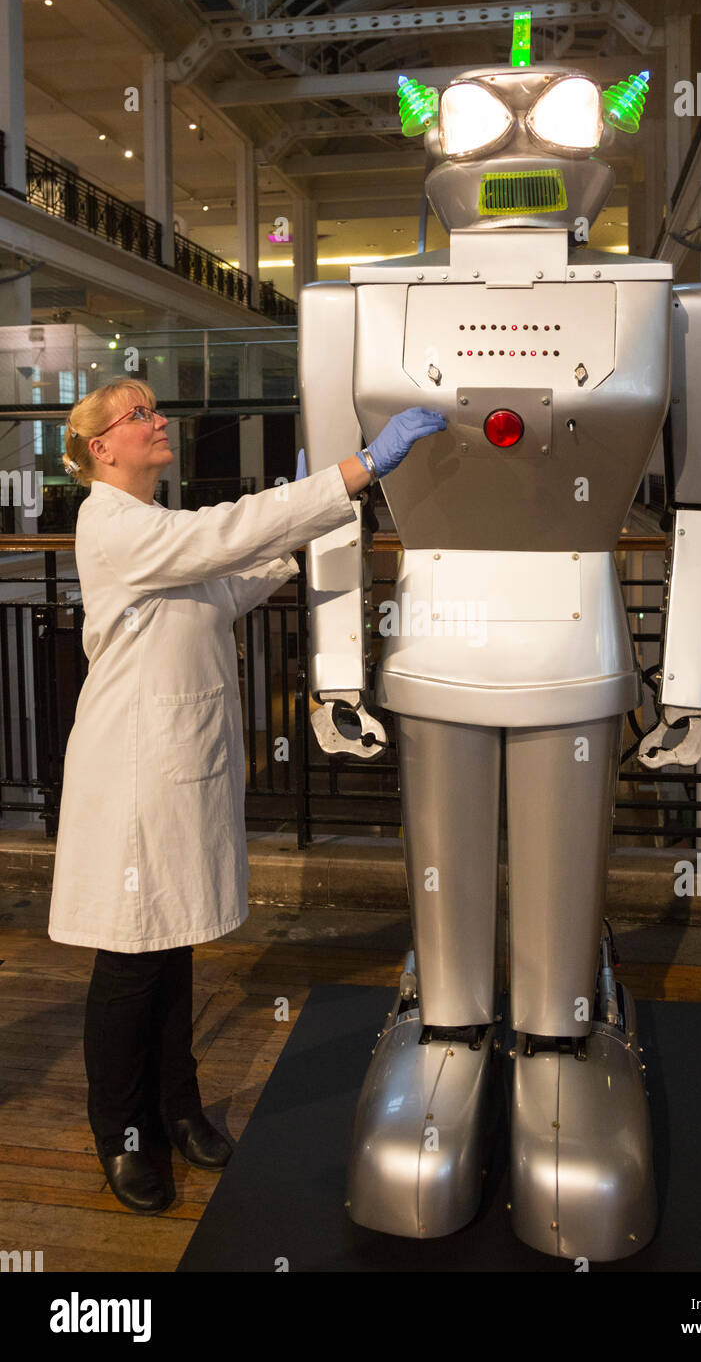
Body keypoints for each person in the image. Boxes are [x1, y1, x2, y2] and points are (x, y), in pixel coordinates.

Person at [48, 376, 446, 1214]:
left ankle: (178, 1108)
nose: (160, 421)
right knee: (129, 963)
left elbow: (222, 580)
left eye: (157, 407)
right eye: (141, 414)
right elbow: (219, 535)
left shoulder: (155, 533)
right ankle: (124, 1138)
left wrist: (306, 529)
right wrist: (355, 470)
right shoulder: (112, 523)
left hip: (171, 767)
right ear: (101, 447)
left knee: (174, 944)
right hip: (130, 775)